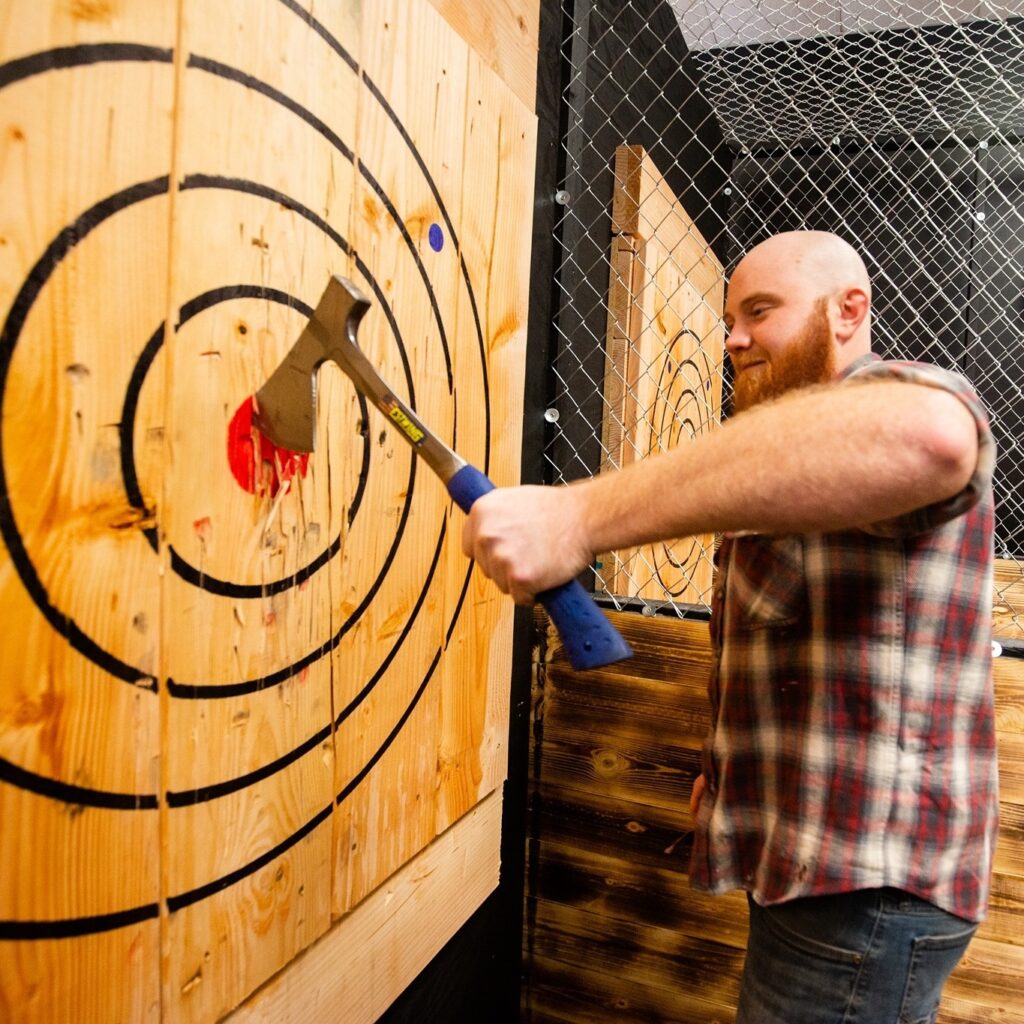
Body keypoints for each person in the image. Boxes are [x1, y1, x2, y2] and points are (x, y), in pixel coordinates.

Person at [463, 231, 998, 1024]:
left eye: (760, 310)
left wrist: (576, 514)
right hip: (828, 870)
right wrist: (726, 776)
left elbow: (935, 437)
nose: (734, 338)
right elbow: (801, 636)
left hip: (865, 889)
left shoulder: (897, 394)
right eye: (729, 318)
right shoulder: (797, 461)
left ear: (850, 310)